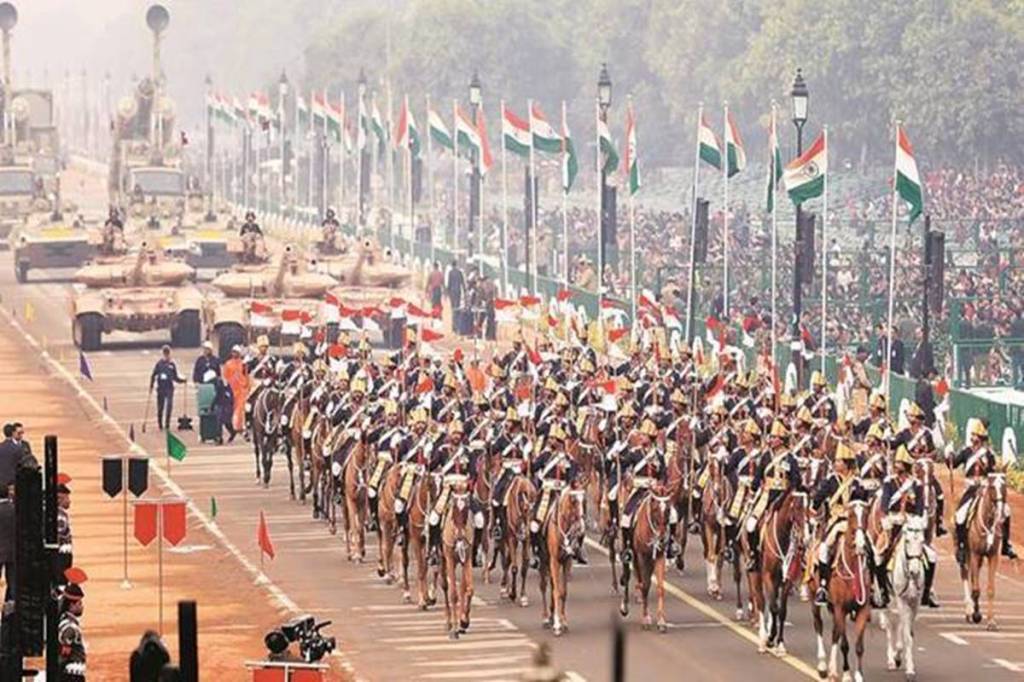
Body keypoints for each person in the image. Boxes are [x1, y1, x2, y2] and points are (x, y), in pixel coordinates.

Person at [150, 345, 186, 431]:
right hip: (161, 388)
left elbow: (175, 377)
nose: (166, 355)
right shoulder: (159, 364)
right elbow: (153, 375)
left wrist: (183, 381)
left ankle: (167, 424)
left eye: (168, 353)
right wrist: (151, 386)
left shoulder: (172, 364)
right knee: (160, 407)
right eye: (165, 353)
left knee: (169, 406)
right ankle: (160, 424)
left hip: (169, 388)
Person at [58, 582, 87, 681]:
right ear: (71, 605)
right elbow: (64, 654)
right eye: (79, 603)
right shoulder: (70, 628)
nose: (82, 607)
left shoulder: (66, 621)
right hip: (72, 675)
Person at [222, 345, 250, 435]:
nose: (234, 354)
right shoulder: (228, 364)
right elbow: (225, 376)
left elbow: (246, 375)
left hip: (242, 389)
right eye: (233, 352)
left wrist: (247, 385)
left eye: (236, 352)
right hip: (232, 389)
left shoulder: (243, 363)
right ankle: (234, 425)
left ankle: (240, 426)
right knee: (232, 409)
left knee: (241, 409)